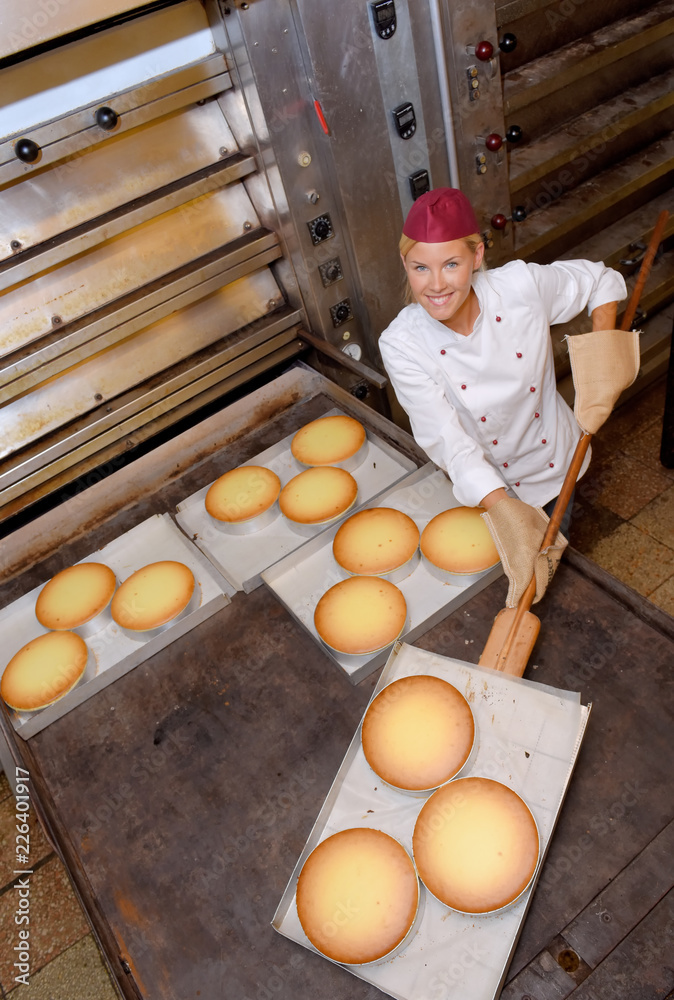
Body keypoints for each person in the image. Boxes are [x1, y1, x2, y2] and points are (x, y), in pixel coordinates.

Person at [379, 187, 638, 608]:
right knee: (490, 594)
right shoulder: (402, 343)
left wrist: (603, 352)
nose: (436, 285)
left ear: (477, 256)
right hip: (484, 485)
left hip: (556, 464)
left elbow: (600, 280)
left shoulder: (520, 287)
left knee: (547, 584)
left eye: (451, 264)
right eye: (420, 268)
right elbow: (449, 442)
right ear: (405, 265)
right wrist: (503, 508)